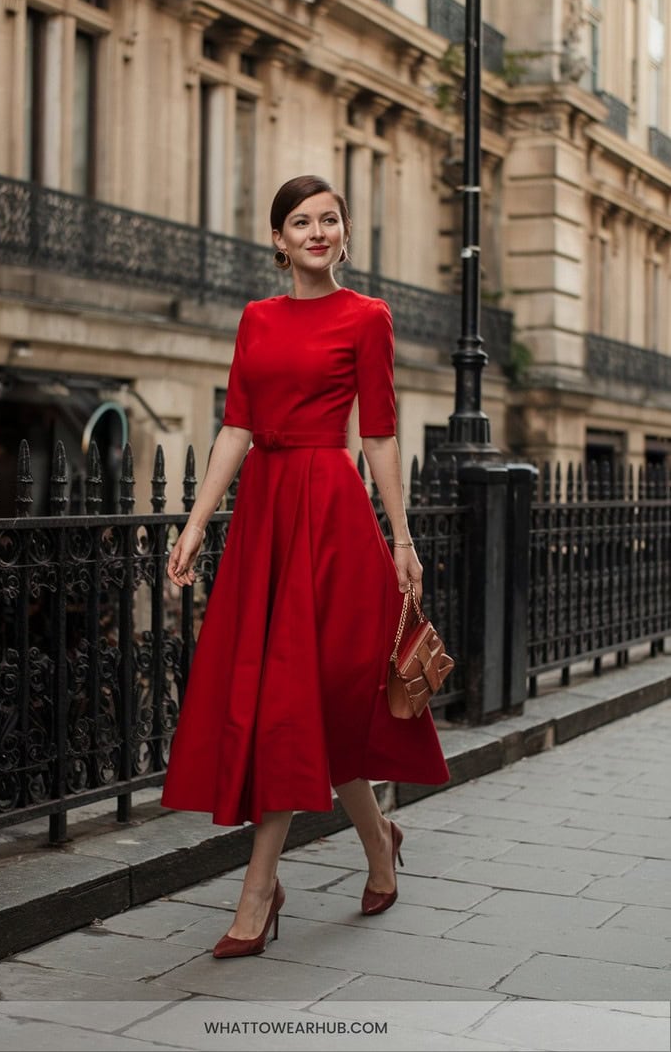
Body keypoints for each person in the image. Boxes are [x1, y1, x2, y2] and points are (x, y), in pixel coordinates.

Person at [162, 174, 449, 958]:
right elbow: (236, 428)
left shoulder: (368, 318)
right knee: (294, 704)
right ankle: (379, 844)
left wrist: (401, 537)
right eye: (301, 221)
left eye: (330, 218)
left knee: (314, 698)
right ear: (279, 241)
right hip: (266, 516)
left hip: (332, 516)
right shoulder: (256, 319)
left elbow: (381, 435)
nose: (317, 231)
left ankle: (259, 890)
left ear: (345, 233)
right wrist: (194, 524)